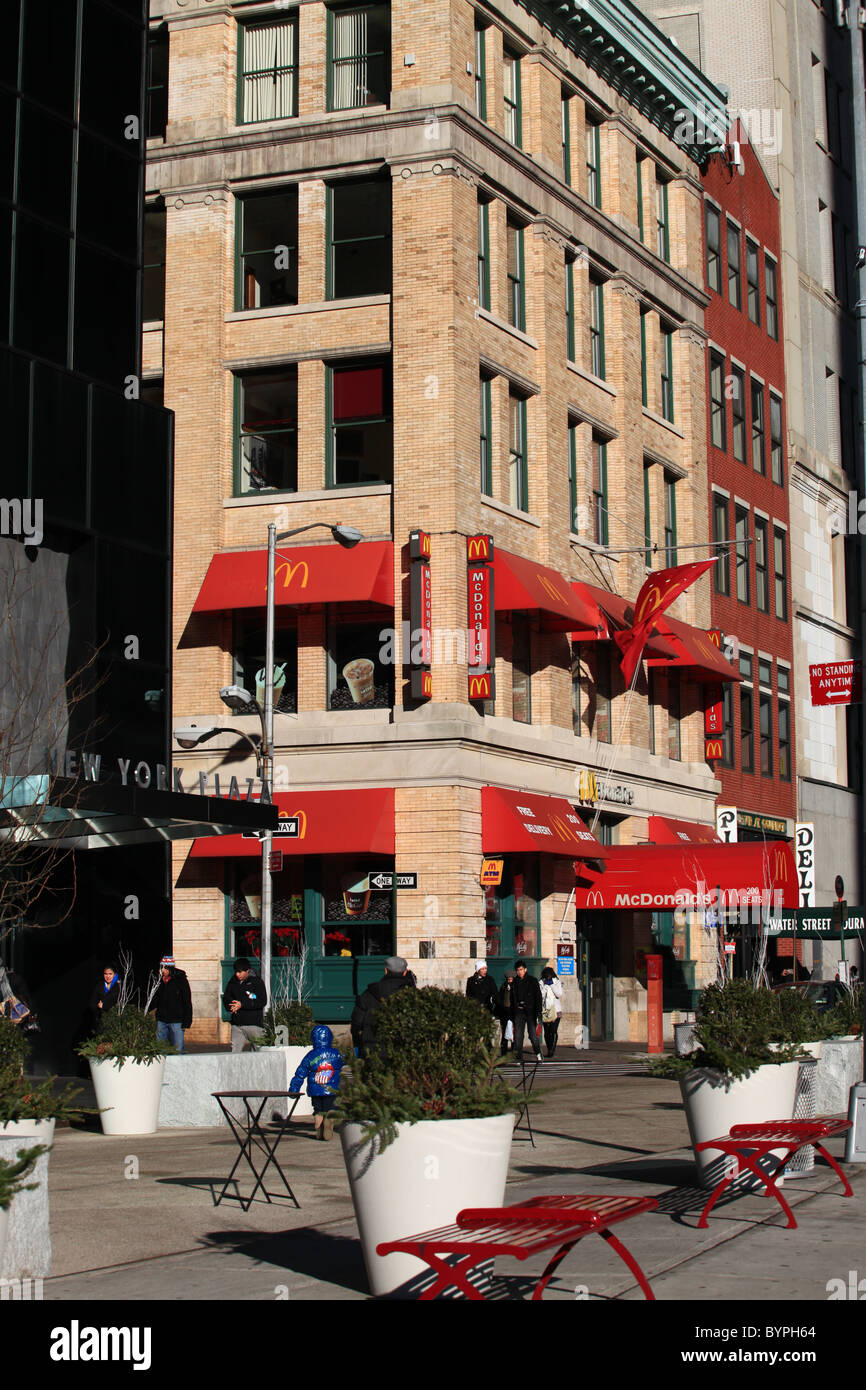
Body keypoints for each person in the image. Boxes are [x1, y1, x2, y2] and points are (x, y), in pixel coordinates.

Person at [350, 955, 415, 1057]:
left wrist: (360, 1046)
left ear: (385, 971)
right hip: (403, 1051)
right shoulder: (412, 995)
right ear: (405, 972)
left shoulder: (369, 994)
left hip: (373, 1049)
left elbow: (356, 1023)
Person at [288, 1025, 344, 1140]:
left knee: (318, 1110)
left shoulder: (310, 1055)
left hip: (315, 1090)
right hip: (331, 1089)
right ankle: (329, 1119)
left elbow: (300, 1073)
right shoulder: (336, 1054)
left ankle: (319, 1129)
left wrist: (294, 1088)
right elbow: (347, 1062)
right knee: (331, 1107)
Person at [222, 957, 268, 1052]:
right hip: (237, 1025)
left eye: (240, 972)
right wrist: (232, 1005)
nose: (237, 974)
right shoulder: (233, 982)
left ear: (247, 971)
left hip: (254, 1025)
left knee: (259, 1050)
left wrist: (242, 1004)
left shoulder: (256, 982)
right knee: (235, 1051)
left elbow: (262, 1001)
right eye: (236, 972)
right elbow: (226, 997)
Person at [151, 955, 193, 1053]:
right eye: (161, 967)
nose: (163, 970)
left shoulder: (181, 981)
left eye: (165, 968)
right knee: (160, 1049)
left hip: (177, 1021)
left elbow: (187, 1001)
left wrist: (187, 1020)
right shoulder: (159, 982)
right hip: (161, 1020)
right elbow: (155, 999)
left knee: (178, 1049)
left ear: (170, 968)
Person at [511, 959, 543, 1063]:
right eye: (517, 970)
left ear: (525, 969)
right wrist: (515, 1008)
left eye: (521, 969)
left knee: (533, 1035)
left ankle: (538, 1052)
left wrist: (538, 1012)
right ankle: (519, 1056)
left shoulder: (533, 981)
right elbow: (512, 998)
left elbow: (538, 997)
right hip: (519, 1011)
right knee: (518, 1035)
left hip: (530, 1011)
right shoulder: (514, 982)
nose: (519, 972)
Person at [540, 966, 563, 1059]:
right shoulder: (541, 982)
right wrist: (545, 986)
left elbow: (559, 994)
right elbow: (540, 995)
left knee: (553, 1030)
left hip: (556, 1010)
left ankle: (552, 1050)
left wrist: (552, 985)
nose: (548, 977)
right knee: (547, 1031)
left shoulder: (557, 981)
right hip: (545, 1010)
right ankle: (549, 1047)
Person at [89, 962, 121, 1030]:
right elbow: (92, 1002)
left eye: (110, 974)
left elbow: (117, 1001)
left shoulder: (119, 986)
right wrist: (98, 1007)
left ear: (114, 974)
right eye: (105, 974)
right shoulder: (99, 985)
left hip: (115, 1019)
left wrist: (104, 1006)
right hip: (100, 1020)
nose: (107, 976)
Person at [498, 971, 515, 1055]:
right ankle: (503, 1051)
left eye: (511, 979)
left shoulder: (516, 986)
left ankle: (514, 1050)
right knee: (505, 1032)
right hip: (505, 1011)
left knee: (514, 1032)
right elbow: (500, 998)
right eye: (508, 979)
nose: (509, 981)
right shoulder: (504, 986)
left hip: (513, 1012)